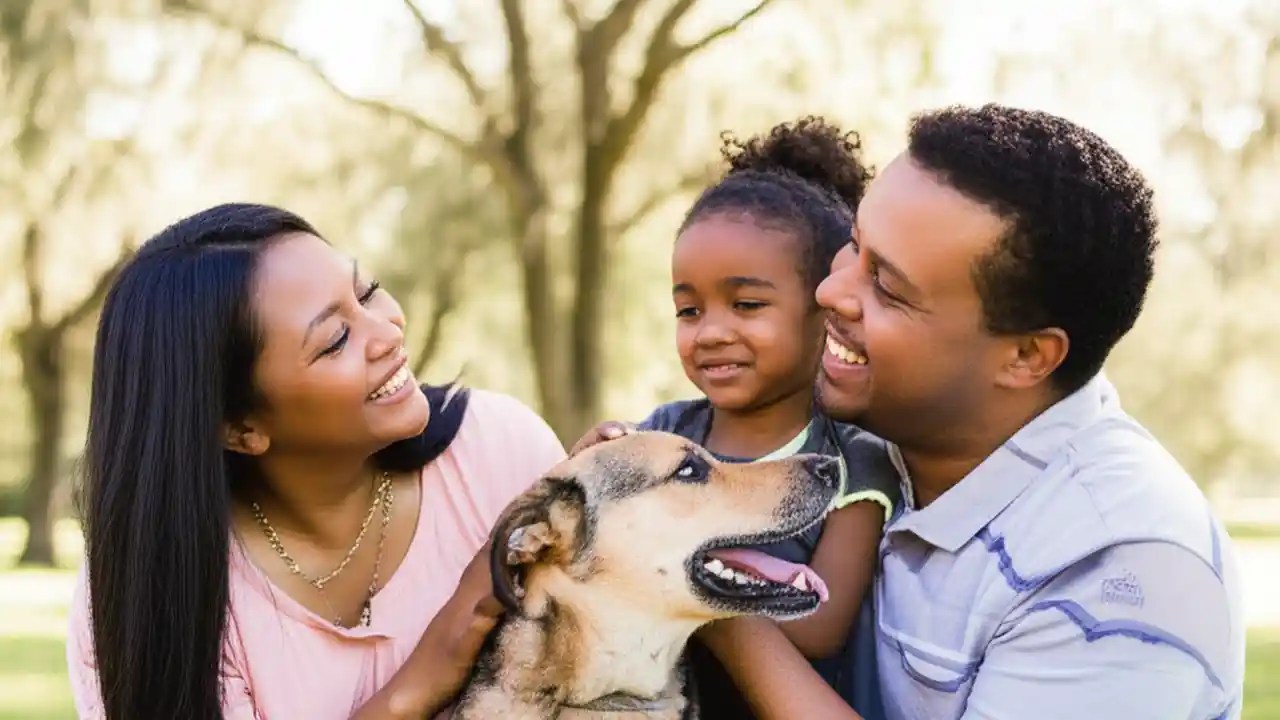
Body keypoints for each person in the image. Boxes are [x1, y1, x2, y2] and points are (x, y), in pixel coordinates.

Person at [581, 104, 1246, 719]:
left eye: (887, 287)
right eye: (853, 247)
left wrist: (710, 593)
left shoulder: (1117, 576)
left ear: (1025, 356)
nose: (829, 291)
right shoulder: (869, 441)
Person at [66, 203, 567, 719]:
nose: (389, 333)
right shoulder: (150, 594)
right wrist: (425, 674)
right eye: (336, 340)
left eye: (367, 293)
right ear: (241, 429)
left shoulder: (501, 454)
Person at [632, 117, 900, 718]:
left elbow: (819, 624)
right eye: (689, 310)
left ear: (823, 312)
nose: (712, 333)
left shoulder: (854, 461)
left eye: (747, 305)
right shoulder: (666, 434)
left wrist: (688, 590)